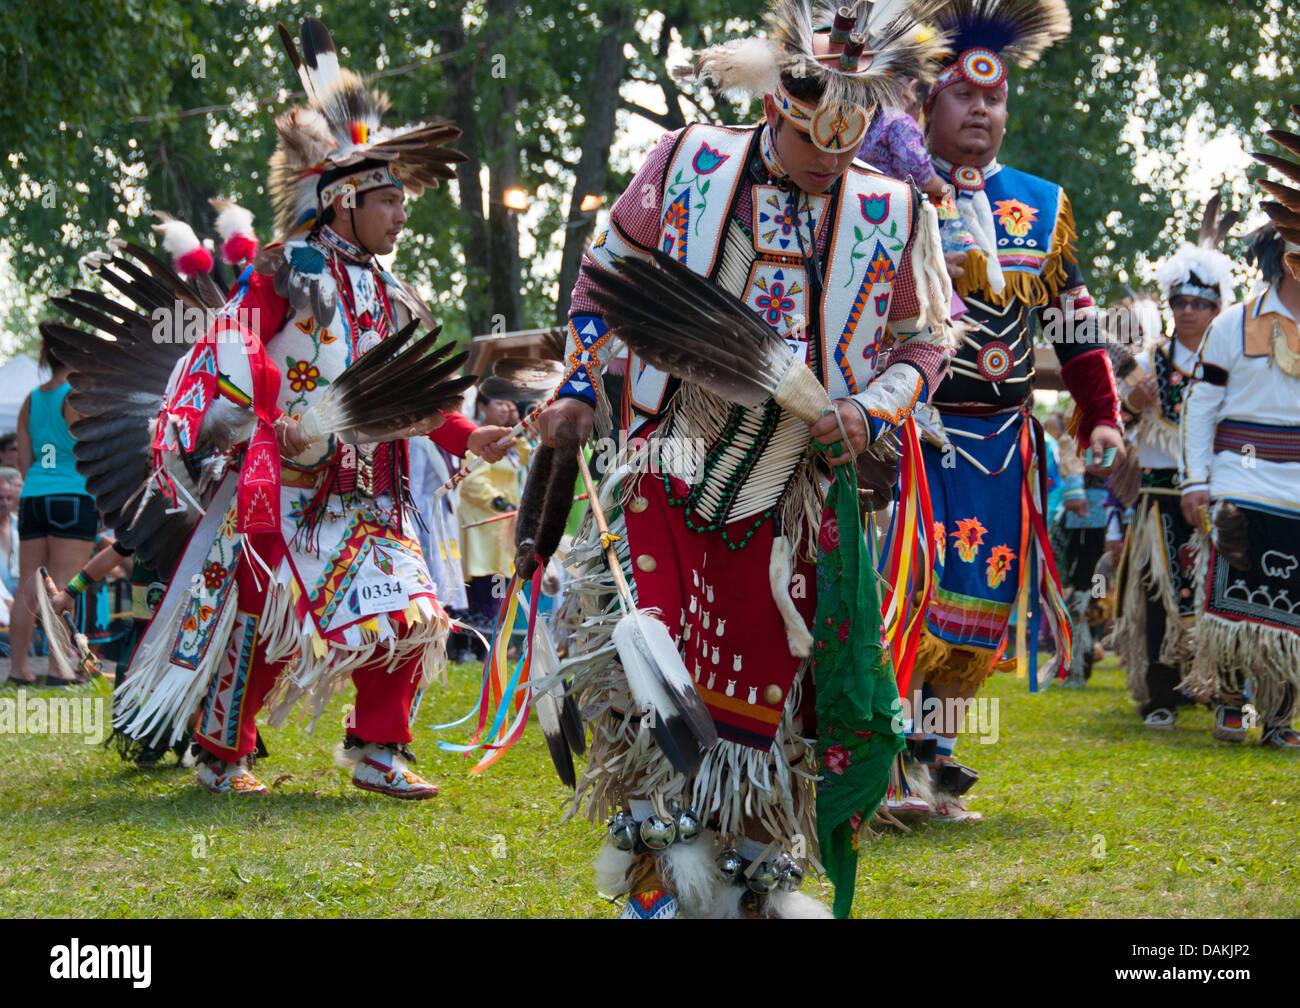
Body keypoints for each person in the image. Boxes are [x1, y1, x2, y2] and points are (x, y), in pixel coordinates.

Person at [536, 0, 953, 918]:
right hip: (667, 458)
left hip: (792, 488)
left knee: (773, 689)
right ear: (776, 102)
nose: (828, 164)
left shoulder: (895, 211)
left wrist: (870, 409)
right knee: (648, 672)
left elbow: (926, 340)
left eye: (847, 150)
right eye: (814, 143)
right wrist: (576, 385)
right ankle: (655, 871)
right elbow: (600, 285)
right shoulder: (686, 162)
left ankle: (754, 878)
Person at [55, 17, 511, 795]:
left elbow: (409, 399)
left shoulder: (396, 292)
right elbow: (228, 343)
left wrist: (471, 436)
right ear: (341, 203)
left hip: (375, 490)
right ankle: (220, 749)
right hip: (291, 484)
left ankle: (377, 749)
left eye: (403, 198)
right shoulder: (287, 270)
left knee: (411, 611)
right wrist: (272, 413)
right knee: (266, 622)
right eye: (387, 199)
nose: (403, 212)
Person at [908, 0, 1124, 820]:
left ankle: (937, 757)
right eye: (964, 96)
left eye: (993, 101)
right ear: (929, 101)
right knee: (907, 592)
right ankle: (880, 755)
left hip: (1000, 442)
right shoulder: (891, 190)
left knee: (975, 597)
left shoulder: (1040, 203)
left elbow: (1074, 319)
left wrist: (1100, 411)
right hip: (908, 438)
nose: (981, 113)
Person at [1113, 201, 1236, 727]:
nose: (1187, 310)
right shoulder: (1151, 360)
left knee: (1218, 592)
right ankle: (1161, 694)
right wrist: (1131, 402)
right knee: (1158, 594)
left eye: (1198, 303)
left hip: (1215, 489)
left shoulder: (1231, 357)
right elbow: (1115, 414)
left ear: (1216, 309)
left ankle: (1218, 688)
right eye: (1179, 300)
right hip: (1159, 493)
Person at [1180, 220, 1300, 748]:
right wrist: (1195, 480)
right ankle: (1231, 701)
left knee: (1292, 600)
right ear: (1285, 258)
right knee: (1231, 591)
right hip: (1240, 477)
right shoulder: (1233, 323)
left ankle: (1280, 715)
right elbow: (1201, 404)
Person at [8, 331, 97, 687]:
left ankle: (19, 669)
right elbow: (88, 451)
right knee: (64, 585)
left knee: (29, 586)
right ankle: (59, 669)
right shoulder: (77, 397)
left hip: (34, 495)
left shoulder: (31, 399)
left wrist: (39, 484)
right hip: (71, 496)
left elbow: (23, 458)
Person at [458, 376, 528, 637]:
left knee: (500, 581)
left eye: (510, 404)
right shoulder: (475, 441)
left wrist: (516, 422)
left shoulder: (512, 444)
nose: (505, 408)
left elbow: (528, 455)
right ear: (483, 407)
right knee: (483, 583)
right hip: (481, 524)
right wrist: (501, 502)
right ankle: (472, 645)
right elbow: (472, 483)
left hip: (504, 526)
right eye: (499, 403)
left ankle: (495, 642)